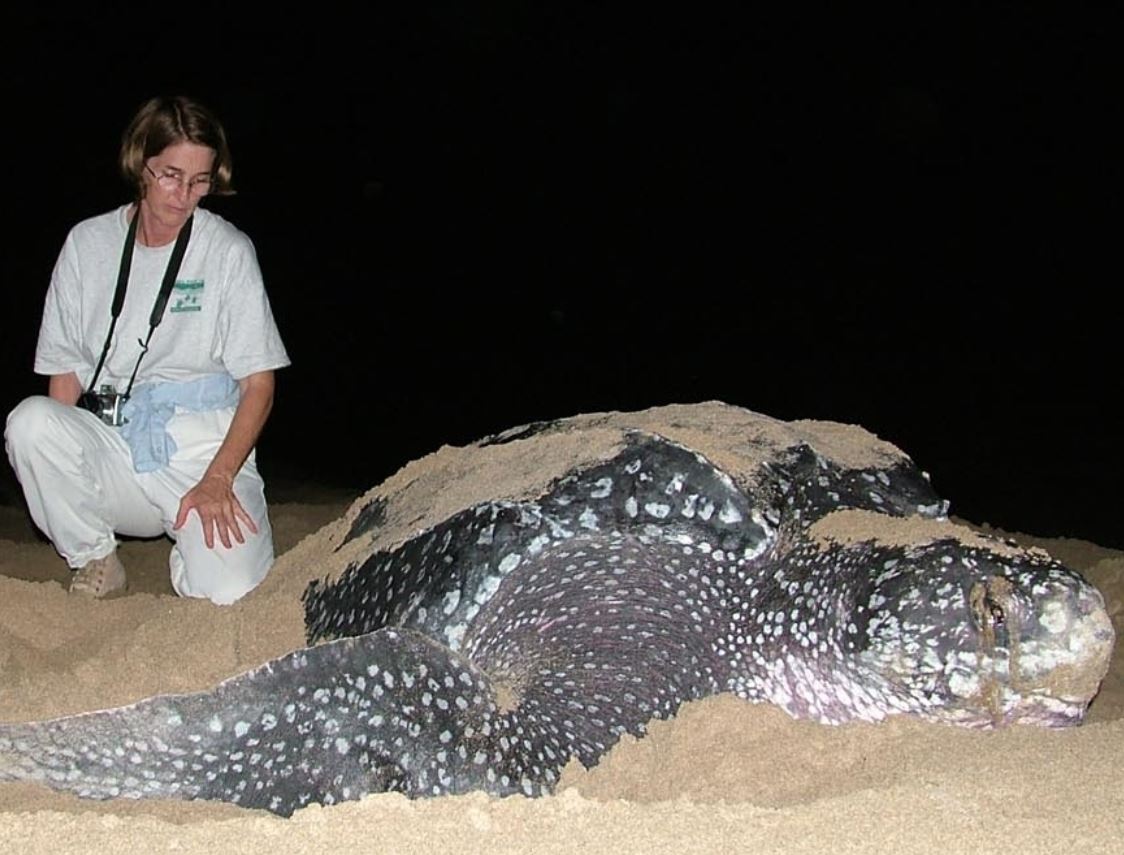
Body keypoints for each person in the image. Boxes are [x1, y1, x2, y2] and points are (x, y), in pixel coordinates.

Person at [4, 94, 290, 605]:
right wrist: (61, 479)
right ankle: (95, 555)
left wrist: (218, 478)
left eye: (200, 181)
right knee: (30, 422)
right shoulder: (86, 244)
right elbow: (64, 378)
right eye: (171, 175)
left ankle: (193, 554)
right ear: (139, 163)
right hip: (113, 442)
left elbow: (259, 385)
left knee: (230, 590)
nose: (184, 195)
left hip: (202, 448)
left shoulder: (227, 251)